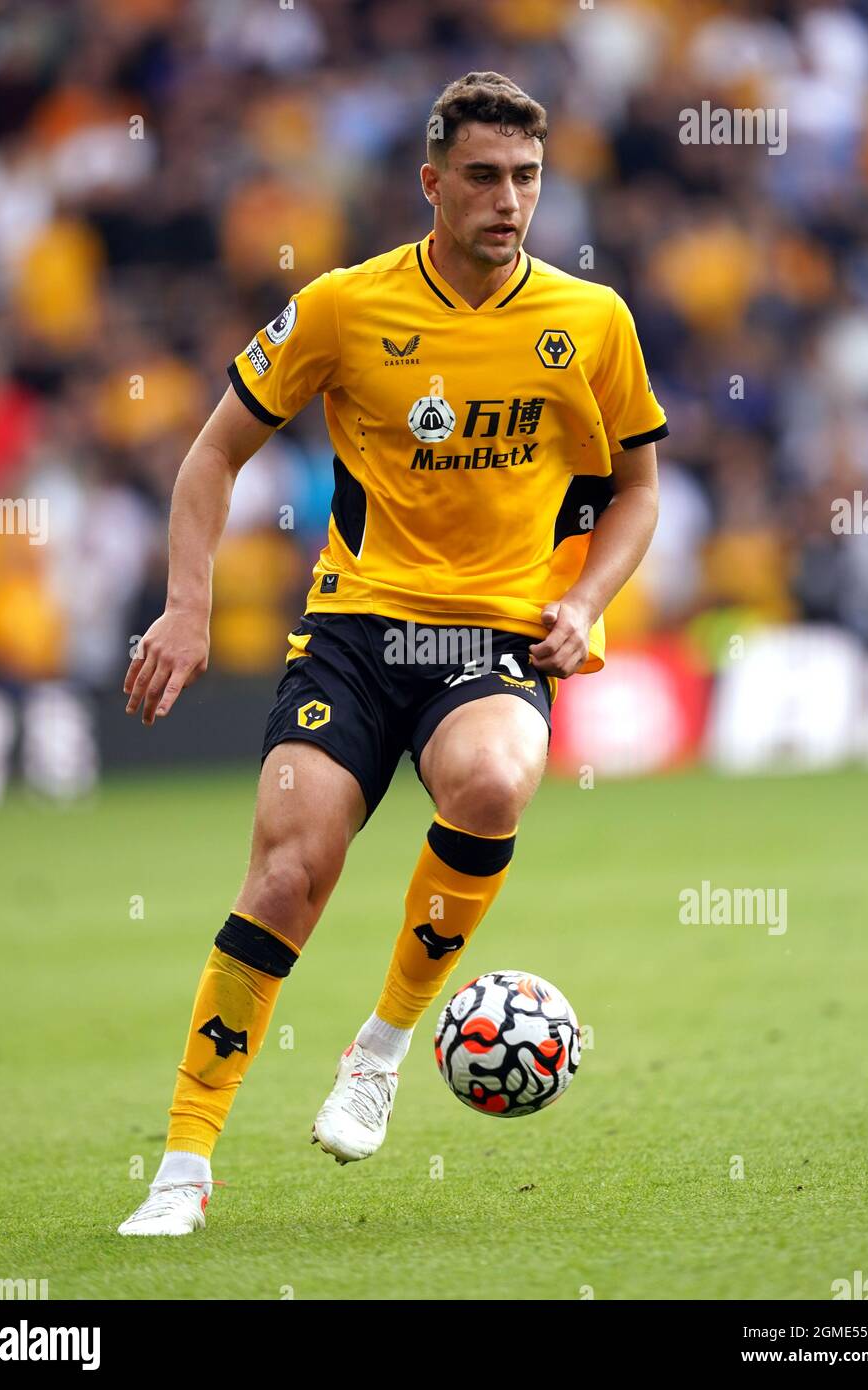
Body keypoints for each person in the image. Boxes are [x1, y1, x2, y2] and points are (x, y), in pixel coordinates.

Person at [117, 71, 666, 1236]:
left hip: (498, 636)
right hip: (355, 635)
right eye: (480, 176)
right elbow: (210, 458)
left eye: (523, 176)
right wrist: (188, 606)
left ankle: (377, 1048)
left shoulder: (592, 321)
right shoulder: (339, 309)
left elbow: (637, 490)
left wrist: (589, 599)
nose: (506, 199)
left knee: (492, 777)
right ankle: (183, 1163)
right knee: (283, 878)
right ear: (430, 184)